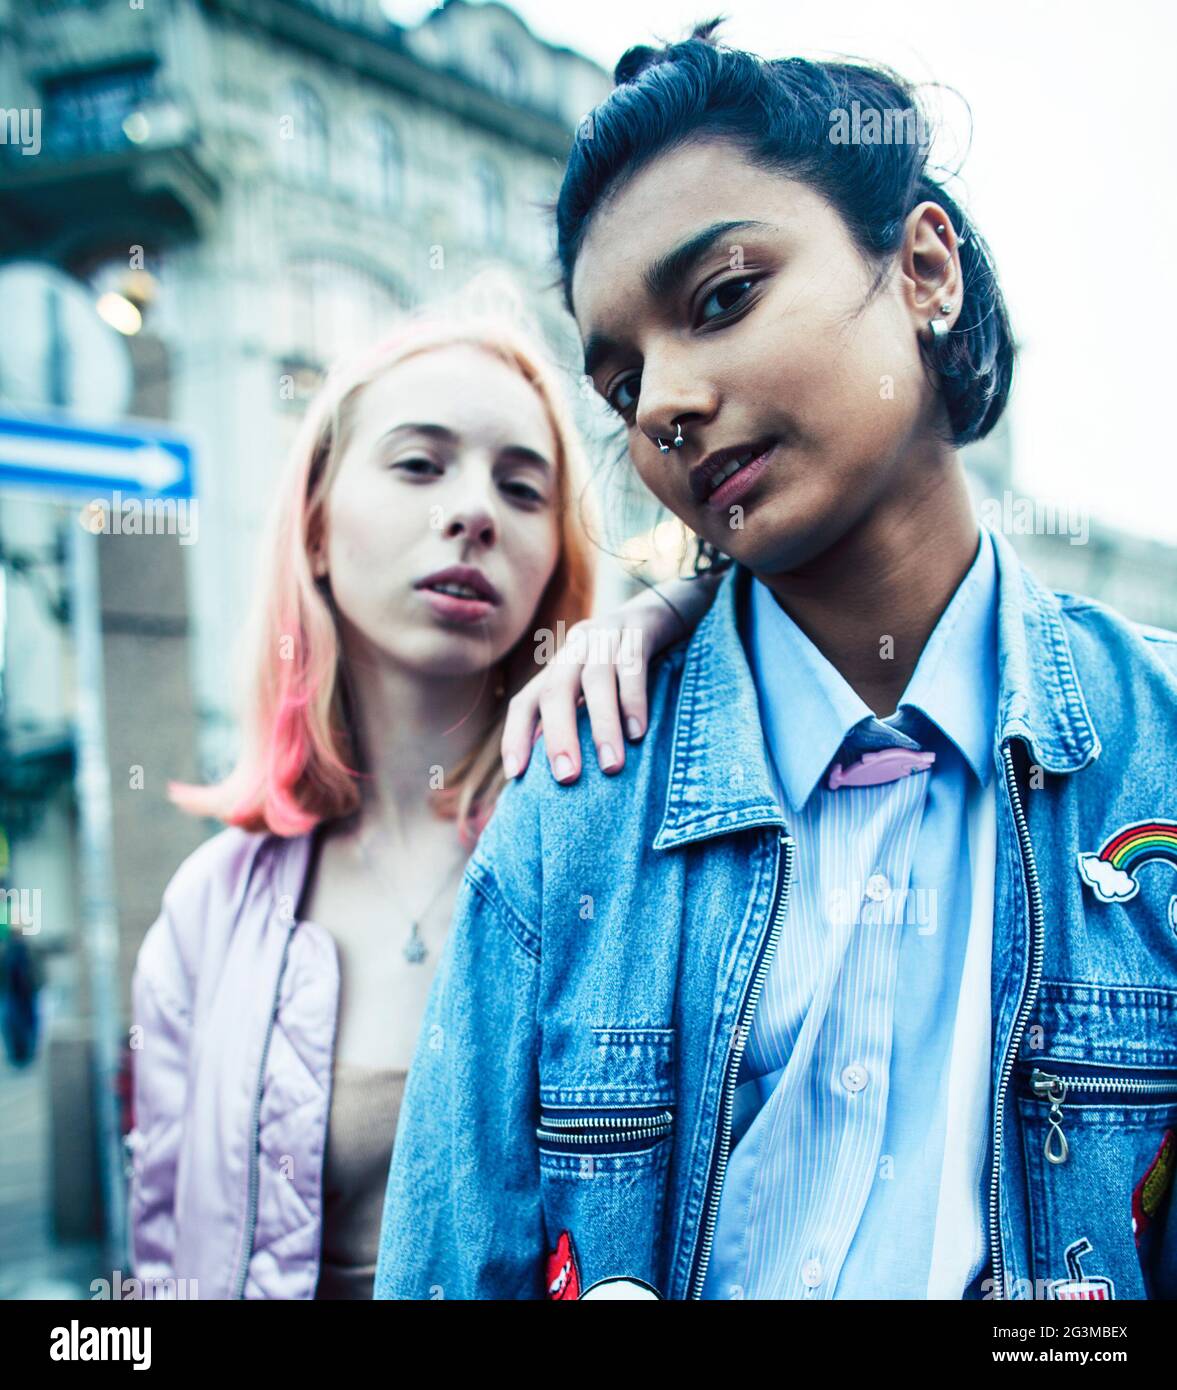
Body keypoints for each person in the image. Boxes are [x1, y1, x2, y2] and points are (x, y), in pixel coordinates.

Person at [374, 23, 1177, 1301]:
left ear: (922, 269)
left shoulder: (1156, 752)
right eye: (622, 376)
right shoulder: (576, 805)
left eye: (724, 296)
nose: (664, 405)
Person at [126, 299, 719, 1299]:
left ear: (554, 563)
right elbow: (159, 1262)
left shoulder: (611, 858)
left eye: (522, 487)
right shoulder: (208, 908)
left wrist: (672, 606)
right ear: (314, 526)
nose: (474, 510)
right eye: (418, 464)